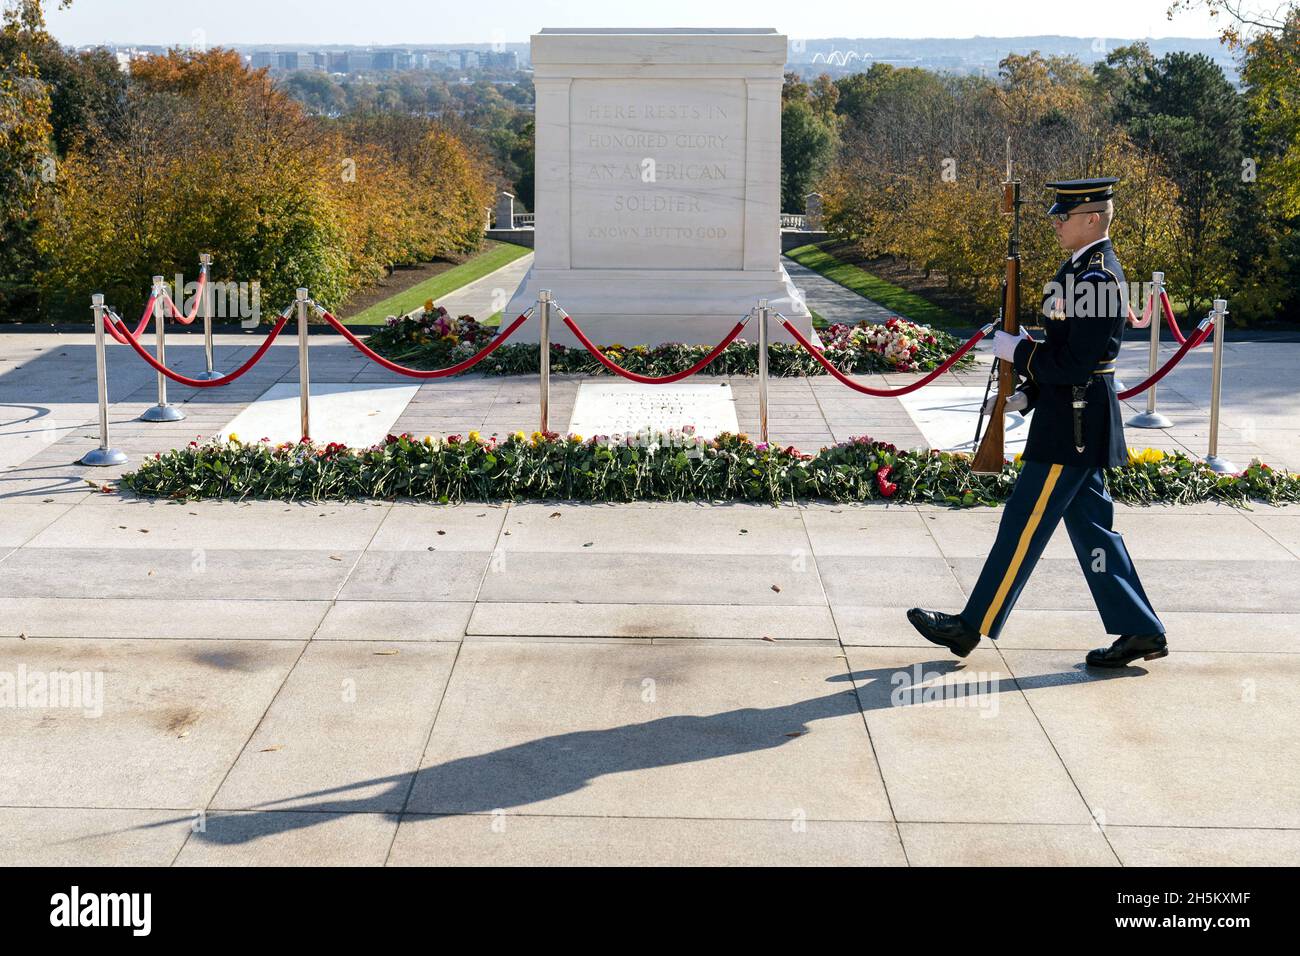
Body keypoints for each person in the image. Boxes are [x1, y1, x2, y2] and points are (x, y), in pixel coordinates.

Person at [907, 176, 1168, 668]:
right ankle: (1141, 630)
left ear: (1092, 219)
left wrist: (1020, 352)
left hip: (1072, 429)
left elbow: (1075, 364)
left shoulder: (1099, 280)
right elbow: (1067, 356)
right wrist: (1025, 395)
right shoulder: (1077, 271)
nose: (1055, 221)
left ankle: (970, 626)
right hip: (1070, 417)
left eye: (1063, 215)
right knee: (1094, 532)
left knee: (1022, 524)